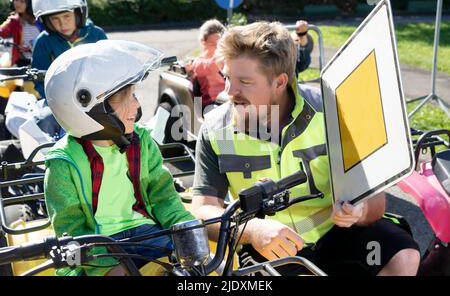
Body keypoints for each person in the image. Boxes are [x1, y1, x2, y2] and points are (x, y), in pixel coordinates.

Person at [191, 21, 421, 276]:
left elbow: (376, 200)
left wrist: (361, 210)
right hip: (266, 243)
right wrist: (253, 231)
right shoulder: (214, 128)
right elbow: (204, 210)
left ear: (279, 82)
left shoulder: (331, 111)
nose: (229, 92)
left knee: (404, 256)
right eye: (227, 78)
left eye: (244, 81)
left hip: (336, 233)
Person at [44, 40, 195, 276]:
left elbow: (162, 194)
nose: (137, 105)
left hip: (147, 233)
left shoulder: (142, 141)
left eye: (135, 95)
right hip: (96, 246)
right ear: (89, 106)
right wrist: (103, 268)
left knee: (193, 269)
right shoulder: (62, 162)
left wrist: (186, 227)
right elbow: (70, 228)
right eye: (128, 98)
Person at [31, 0, 107, 99]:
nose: (62, 23)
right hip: (60, 100)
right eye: (55, 19)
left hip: (97, 95)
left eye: (66, 16)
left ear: (78, 14)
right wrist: (54, 100)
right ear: (46, 21)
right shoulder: (43, 41)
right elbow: (39, 79)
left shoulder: (96, 34)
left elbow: (109, 66)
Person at [0, 0, 42, 67]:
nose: (17, 4)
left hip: (40, 61)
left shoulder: (40, 21)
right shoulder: (13, 21)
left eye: (22, 1)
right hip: (21, 63)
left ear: (30, 4)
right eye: (15, 0)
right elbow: (1, 31)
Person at [186, 19, 226, 108]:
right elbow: (211, 65)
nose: (217, 48)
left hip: (227, 101)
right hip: (212, 104)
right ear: (203, 42)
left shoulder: (224, 58)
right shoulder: (199, 62)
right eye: (213, 44)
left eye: (220, 44)